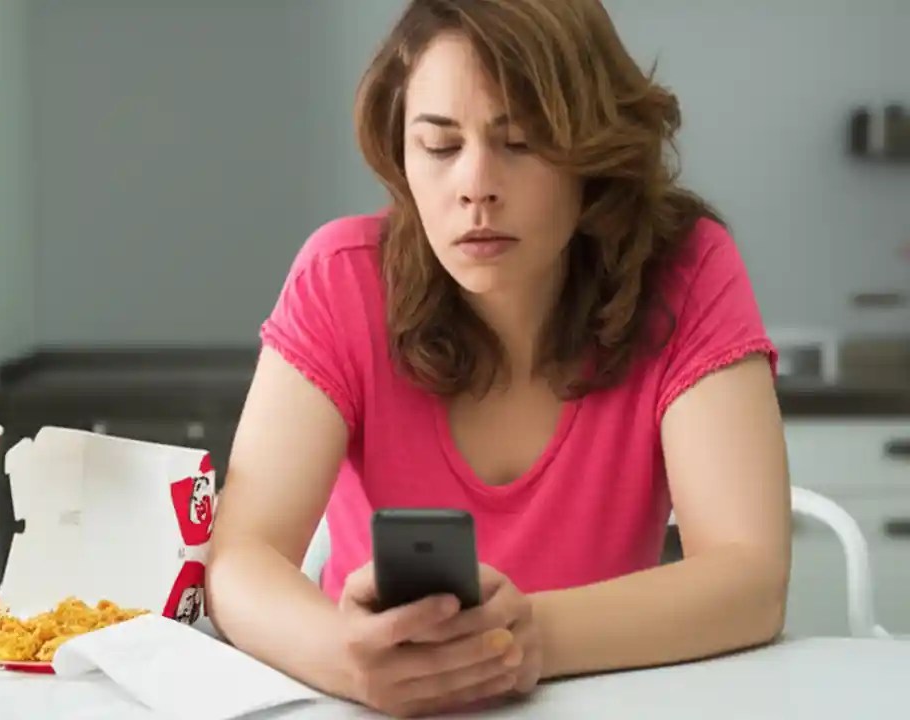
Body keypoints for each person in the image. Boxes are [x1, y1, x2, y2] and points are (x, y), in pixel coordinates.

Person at [207, 0, 790, 716]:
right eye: (441, 147)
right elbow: (239, 559)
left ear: (594, 152)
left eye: (519, 142)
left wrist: (528, 636)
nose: (475, 184)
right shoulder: (341, 277)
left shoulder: (688, 272)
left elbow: (750, 578)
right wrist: (346, 659)